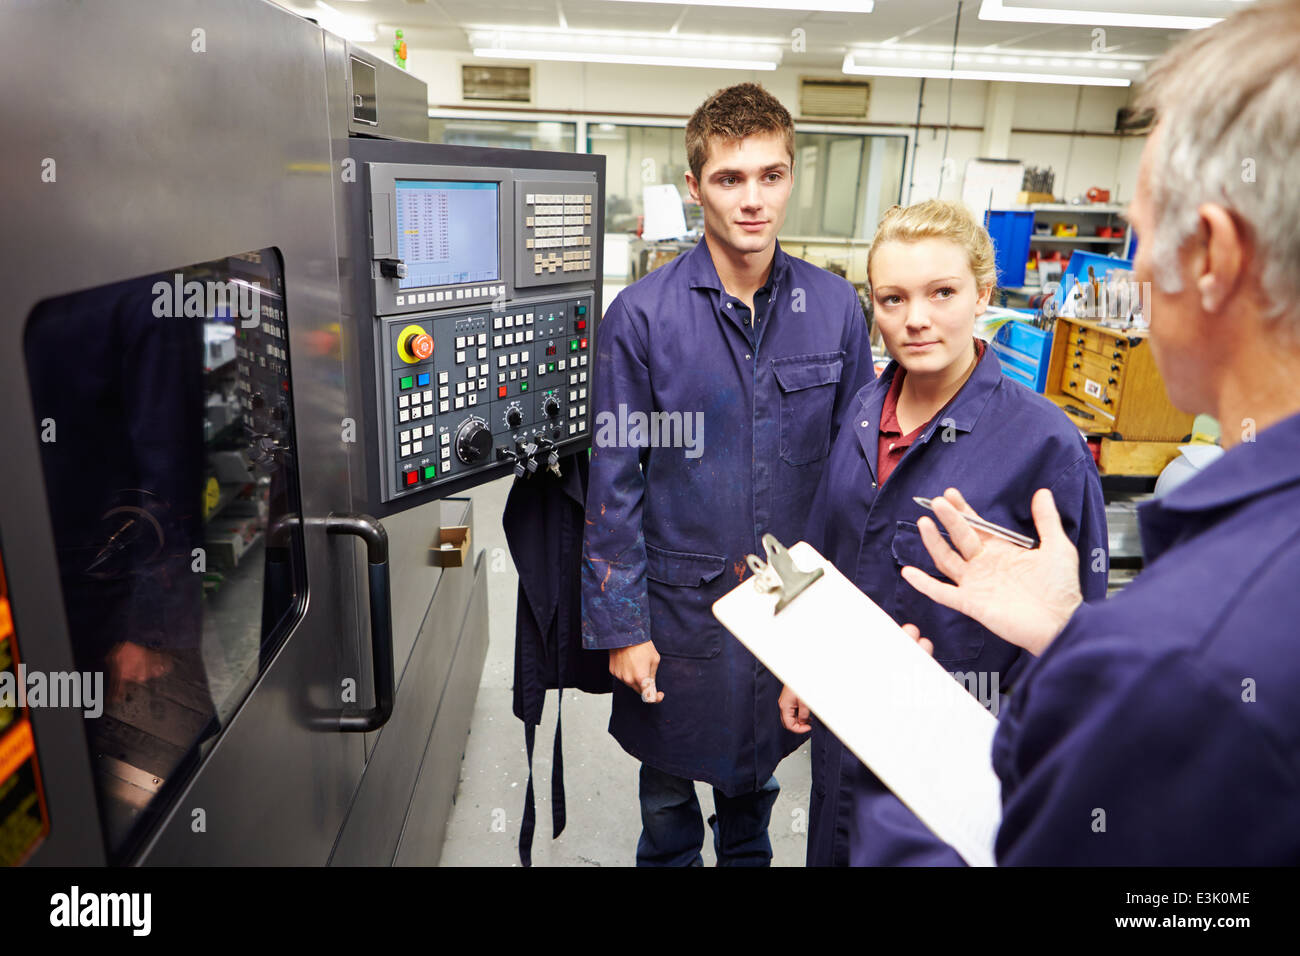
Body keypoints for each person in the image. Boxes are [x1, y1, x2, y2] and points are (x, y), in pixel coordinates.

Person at [898, 0, 1300, 864]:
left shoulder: (1185, 649)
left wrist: (896, 735)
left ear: (1209, 257)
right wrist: (1076, 636)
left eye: (1142, 242)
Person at [581, 83, 875, 866]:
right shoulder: (641, 318)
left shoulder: (836, 308)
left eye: (771, 176)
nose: (753, 200)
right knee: (669, 807)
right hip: (677, 614)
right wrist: (624, 628)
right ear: (695, 186)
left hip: (789, 603)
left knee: (754, 803)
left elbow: (856, 471)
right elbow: (615, 479)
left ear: (791, 176)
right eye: (729, 179)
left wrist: (837, 622)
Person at [783, 200, 1108, 866]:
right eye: (893, 298)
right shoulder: (863, 411)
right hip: (847, 727)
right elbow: (824, 553)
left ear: (985, 293)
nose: (917, 318)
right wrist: (805, 666)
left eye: (943, 292)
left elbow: (1079, 634)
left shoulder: (1044, 443)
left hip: (958, 748)